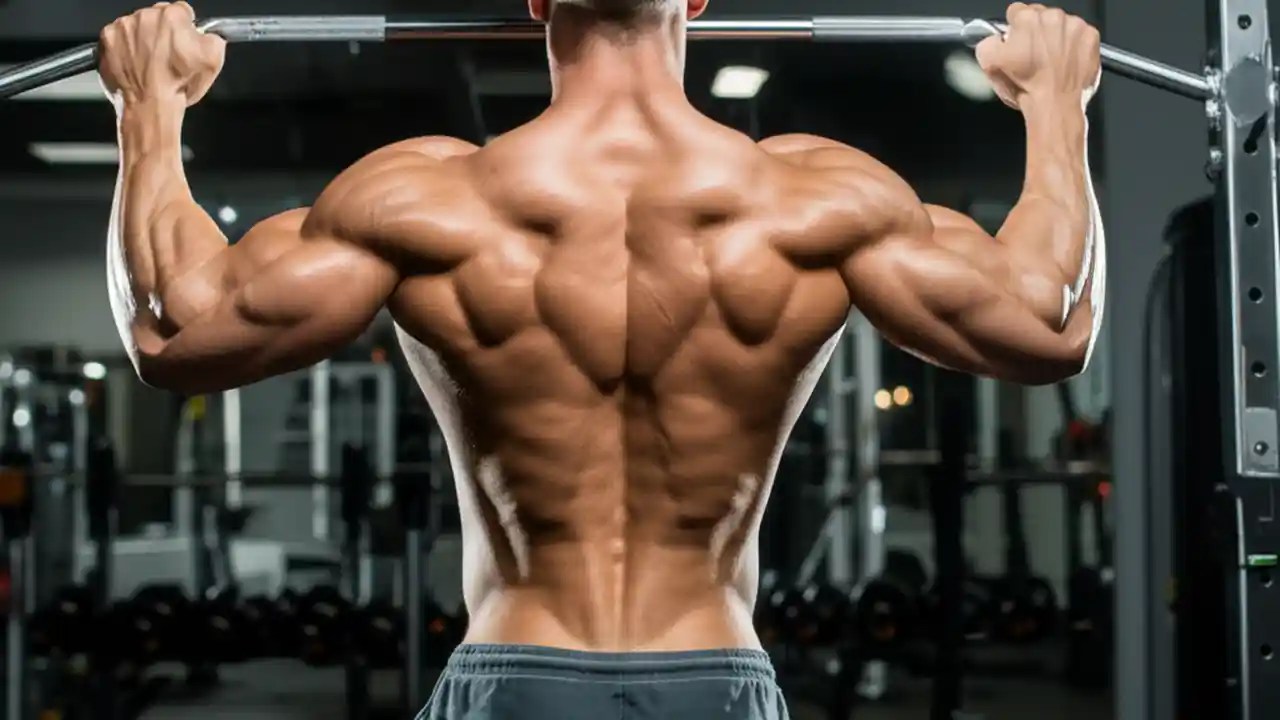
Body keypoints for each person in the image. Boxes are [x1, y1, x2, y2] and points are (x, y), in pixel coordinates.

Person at [97, 0, 1104, 717]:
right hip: (715, 672)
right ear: (698, 3)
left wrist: (149, 110)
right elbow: (1049, 325)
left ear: (535, 3)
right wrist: (1054, 105)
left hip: (514, 676)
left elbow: (173, 332)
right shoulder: (816, 200)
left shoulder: (426, 201)